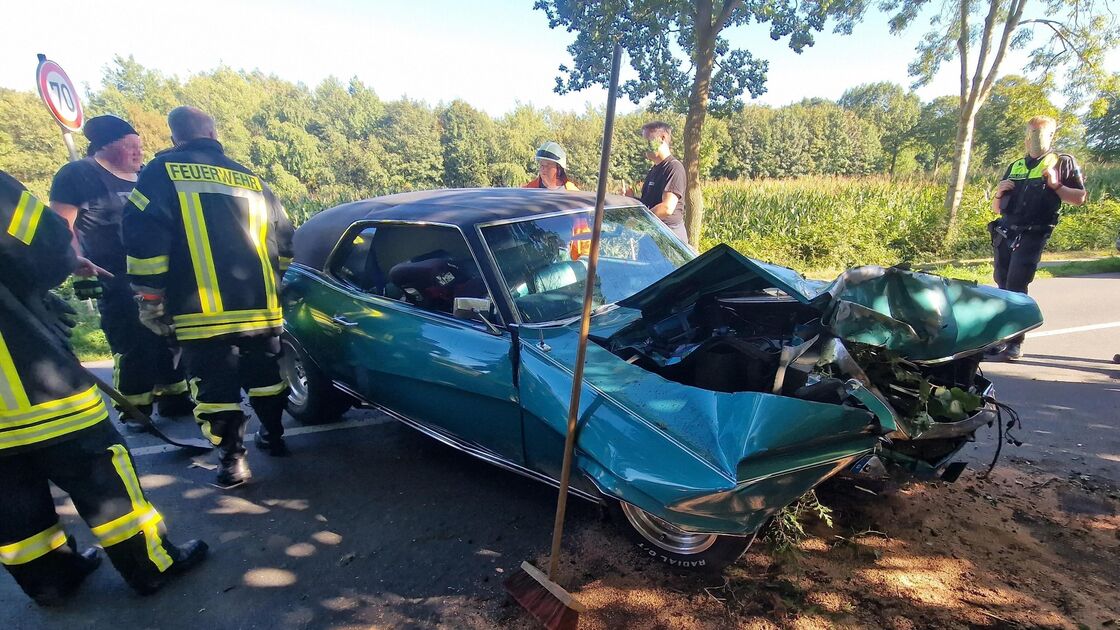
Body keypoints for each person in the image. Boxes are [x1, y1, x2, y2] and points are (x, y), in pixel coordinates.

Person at [0, 170, 207, 605]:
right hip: (34, 387)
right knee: (101, 475)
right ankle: (151, 567)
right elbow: (49, 246)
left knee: (9, 494)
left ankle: (51, 581)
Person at [122, 106, 295, 488]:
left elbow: (144, 236)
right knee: (267, 377)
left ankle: (233, 462)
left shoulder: (159, 173)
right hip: (260, 308)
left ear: (174, 139)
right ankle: (274, 436)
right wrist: (274, 282)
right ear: (215, 135)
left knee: (215, 389)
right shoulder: (250, 178)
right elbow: (284, 239)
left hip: (199, 310)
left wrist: (149, 297)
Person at [50, 115, 191, 429]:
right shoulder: (79, 175)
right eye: (131, 146)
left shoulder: (145, 177)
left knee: (165, 335)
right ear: (106, 146)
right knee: (133, 341)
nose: (138, 153)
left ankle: (174, 397)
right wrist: (75, 260)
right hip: (112, 275)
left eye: (140, 146)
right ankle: (136, 408)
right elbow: (61, 225)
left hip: (153, 273)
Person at [987, 116, 1087, 361]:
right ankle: (1001, 338)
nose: (1034, 138)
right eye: (1031, 133)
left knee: (1016, 285)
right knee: (1001, 284)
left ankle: (1015, 342)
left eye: (1040, 133)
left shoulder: (1062, 162)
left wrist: (1055, 185)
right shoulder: (1016, 165)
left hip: (1034, 232)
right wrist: (999, 193)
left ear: (1051, 136)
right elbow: (996, 208)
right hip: (1005, 231)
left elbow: (1079, 197)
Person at [638, 121, 688, 243]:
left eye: (648, 141)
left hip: (669, 240)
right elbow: (649, 203)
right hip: (653, 234)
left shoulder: (674, 168)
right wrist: (631, 200)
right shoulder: (653, 170)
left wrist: (639, 220)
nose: (644, 146)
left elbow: (666, 208)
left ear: (663, 138)